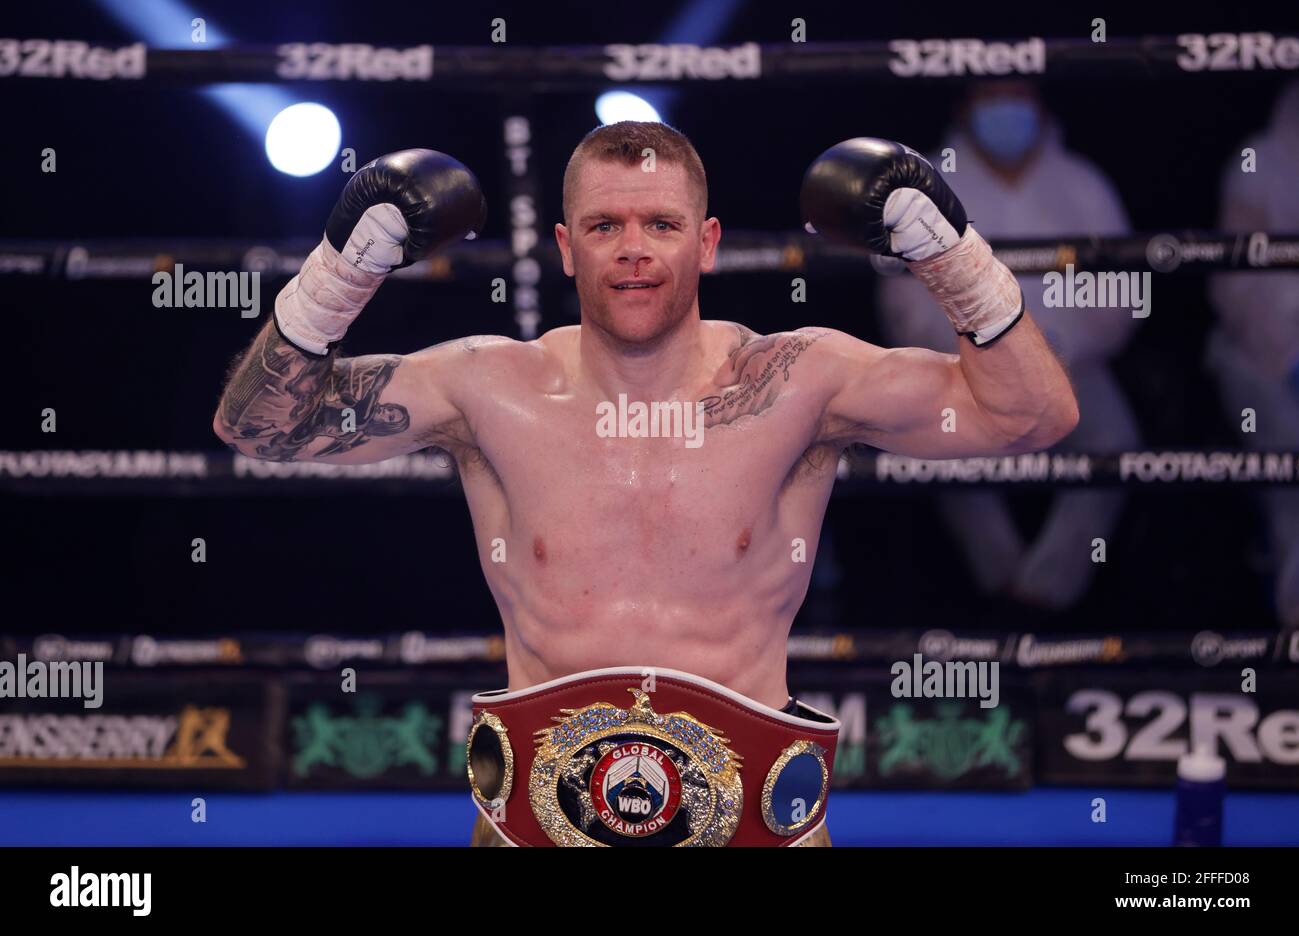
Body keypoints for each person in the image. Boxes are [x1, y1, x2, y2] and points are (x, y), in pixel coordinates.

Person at [213, 123, 1078, 846]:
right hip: (534, 823)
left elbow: (1032, 417)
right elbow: (261, 429)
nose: (633, 251)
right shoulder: (487, 388)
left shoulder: (796, 381)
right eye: (604, 226)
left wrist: (949, 253)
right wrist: (343, 269)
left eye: (661, 224)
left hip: (751, 820)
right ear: (564, 246)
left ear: (705, 242)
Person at [876, 80, 1140, 610]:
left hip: (1071, 364)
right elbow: (898, 297)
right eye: (992, 96)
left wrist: (1061, 347)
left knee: (1117, 443)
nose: (1007, 111)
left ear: (1041, 106)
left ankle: (1045, 595)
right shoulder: (922, 182)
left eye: (1018, 95)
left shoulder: (1082, 182)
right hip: (960, 363)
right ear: (964, 106)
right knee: (935, 442)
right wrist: (971, 347)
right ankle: (998, 590)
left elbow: (1124, 288)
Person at [1208, 80, 1299, 628]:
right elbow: (1232, 283)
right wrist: (1288, 354)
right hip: (1263, 357)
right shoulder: (1260, 162)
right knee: (1292, 469)